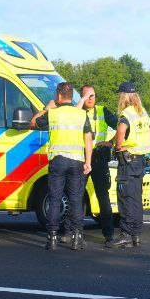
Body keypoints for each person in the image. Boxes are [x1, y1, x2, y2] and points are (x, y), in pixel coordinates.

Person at [30, 83, 93, 250]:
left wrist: (46, 108)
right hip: (77, 161)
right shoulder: (81, 114)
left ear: (58, 96)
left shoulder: (53, 113)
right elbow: (88, 139)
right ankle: (77, 237)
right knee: (75, 200)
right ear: (72, 96)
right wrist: (88, 162)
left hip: (58, 161)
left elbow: (33, 122)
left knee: (55, 199)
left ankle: (52, 238)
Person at [107, 82, 150, 249]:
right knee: (136, 198)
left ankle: (125, 235)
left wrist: (118, 145)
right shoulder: (142, 112)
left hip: (127, 161)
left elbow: (121, 132)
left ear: (124, 96)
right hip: (140, 160)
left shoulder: (126, 114)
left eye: (120, 94)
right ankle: (136, 235)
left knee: (125, 199)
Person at [81, 85, 120, 245]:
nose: (91, 99)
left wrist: (111, 142)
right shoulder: (77, 113)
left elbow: (122, 126)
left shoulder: (103, 111)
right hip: (81, 157)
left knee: (103, 197)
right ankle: (73, 233)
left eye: (93, 95)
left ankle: (109, 235)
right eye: (87, 96)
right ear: (81, 97)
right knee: (76, 196)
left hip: (99, 157)